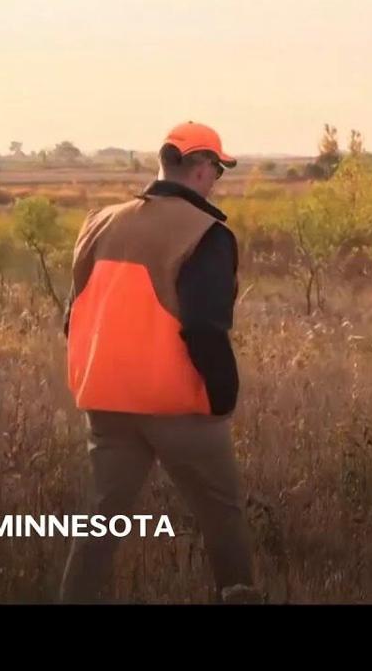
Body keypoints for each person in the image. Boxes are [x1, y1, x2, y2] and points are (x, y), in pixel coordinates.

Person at [60, 122, 260, 603]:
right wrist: (222, 397)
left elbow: (73, 316)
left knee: (103, 520)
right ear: (200, 168)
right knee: (222, 514)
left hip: (105, 401)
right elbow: (205, 328)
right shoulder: (207, 233)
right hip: (177, 405)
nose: (216, 179)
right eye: (217, 169)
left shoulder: (99, 222)